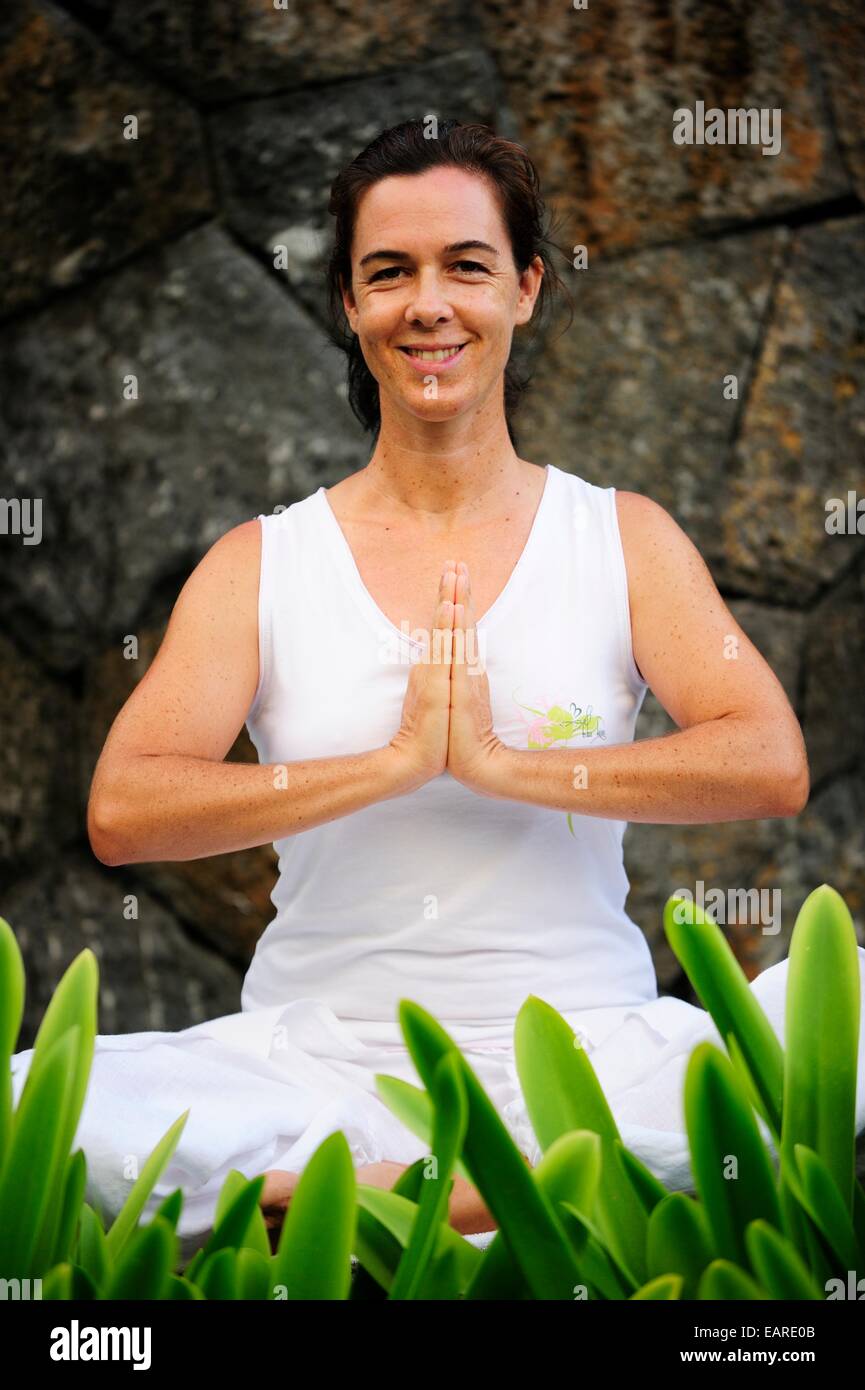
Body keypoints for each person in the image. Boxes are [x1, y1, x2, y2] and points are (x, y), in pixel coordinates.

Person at [10, 119, 865, 1254]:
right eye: (387, 272)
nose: (428, 305)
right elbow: (124, 808)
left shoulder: (621, 539)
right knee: (27, 1098)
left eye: (464, 265)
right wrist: (390, 766)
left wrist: (506, 766)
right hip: (317, 1066)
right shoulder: (260, 563)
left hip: (587, 1058)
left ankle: (363, 1193)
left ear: (524, 288)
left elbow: (767, 760)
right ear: (349, 307)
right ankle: (496, 1187)